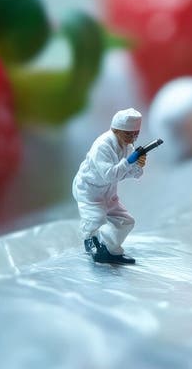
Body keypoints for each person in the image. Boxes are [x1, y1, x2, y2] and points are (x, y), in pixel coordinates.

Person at [73, 108, 147, 265]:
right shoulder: (102, 146)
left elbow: (126, 174)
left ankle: (109, 249)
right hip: (89, 190)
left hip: (108, 191)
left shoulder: (128, 146)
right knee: (95, 219)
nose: (133, 138)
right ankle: (90, 243)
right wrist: (129, 162)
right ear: (116, 130)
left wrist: (138, 166)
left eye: (136, 134)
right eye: (129, 134)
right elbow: (110, 174)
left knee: (126, 221)